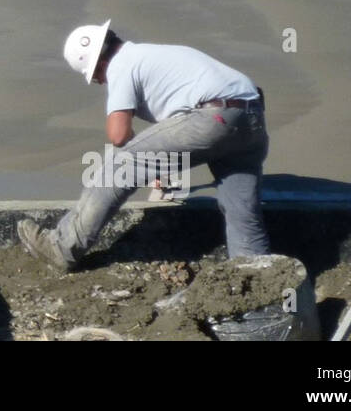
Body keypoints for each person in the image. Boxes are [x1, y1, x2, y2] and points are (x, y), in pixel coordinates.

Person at [18, 19, 271, 271]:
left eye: (96, 78)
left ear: (99, 65)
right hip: (251, 118)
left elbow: (118, 135)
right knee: (242, 214)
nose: (102, 82)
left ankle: (62, 248)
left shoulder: (122, 64)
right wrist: (158, 166)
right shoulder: (153, 55)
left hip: (214, 117)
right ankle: (254, 278)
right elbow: (177, 126)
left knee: (119, 164)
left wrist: (141, 161)